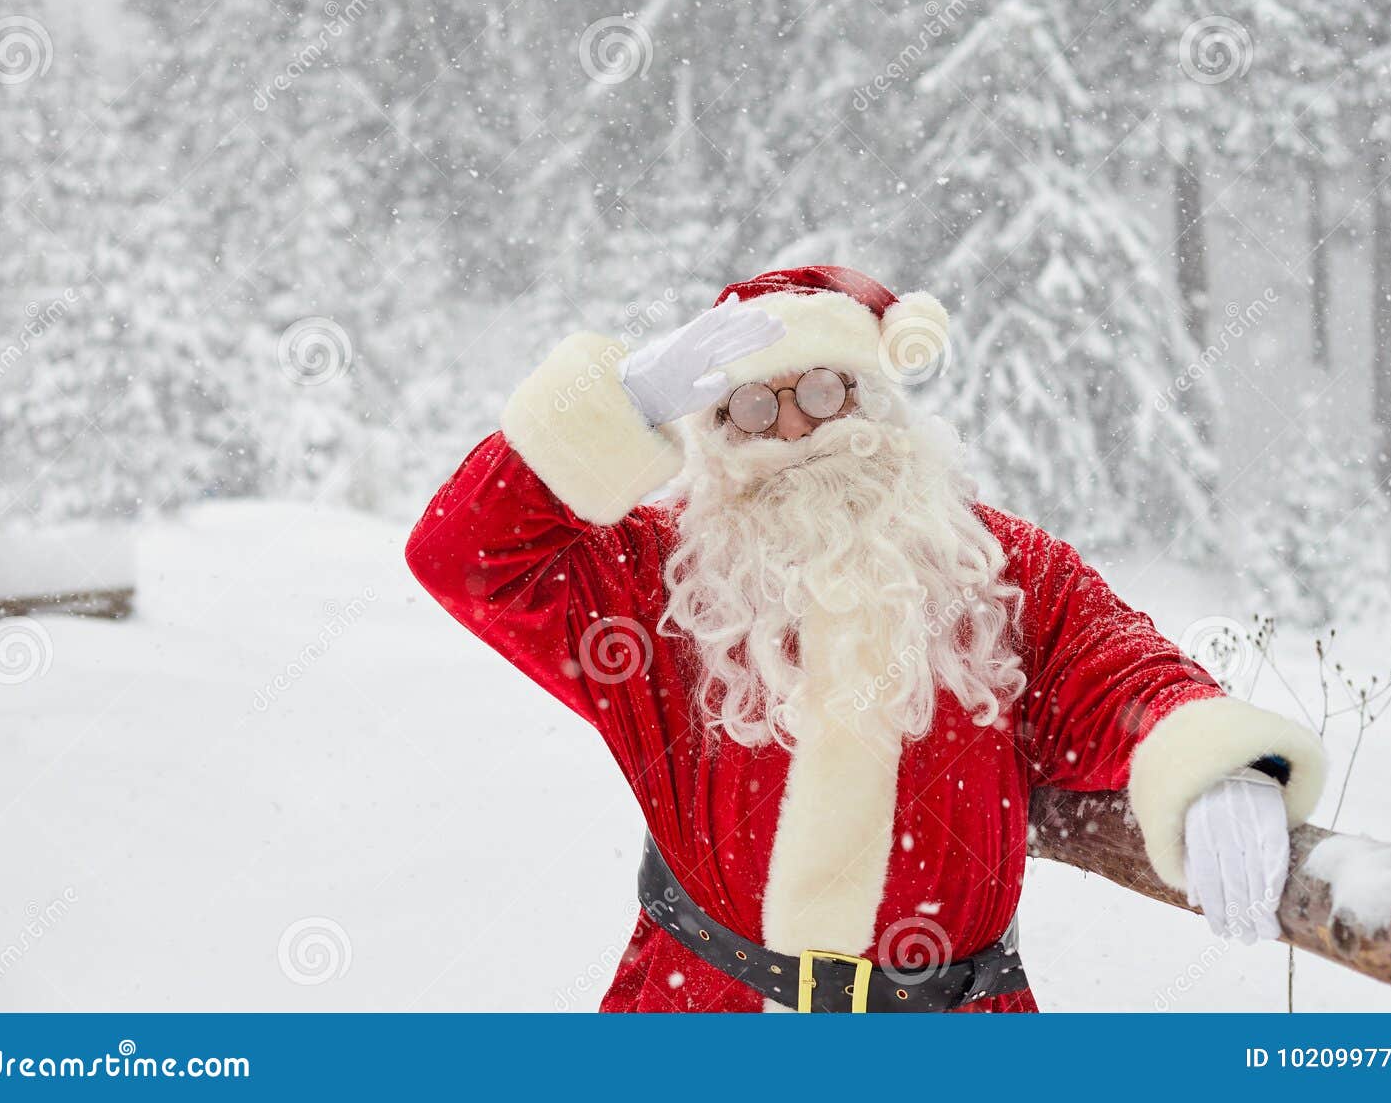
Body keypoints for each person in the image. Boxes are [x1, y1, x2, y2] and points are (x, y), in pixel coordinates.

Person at [406, 265, 1325, 1012]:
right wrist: (624, 402)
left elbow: (1127, 675)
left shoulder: (1003, 567)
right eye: (754, 410)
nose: (795, 428)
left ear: (878, 401)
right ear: (716, 435)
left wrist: (1220, 765)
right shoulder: (662, 581)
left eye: (818, 389)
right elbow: (463, 553)